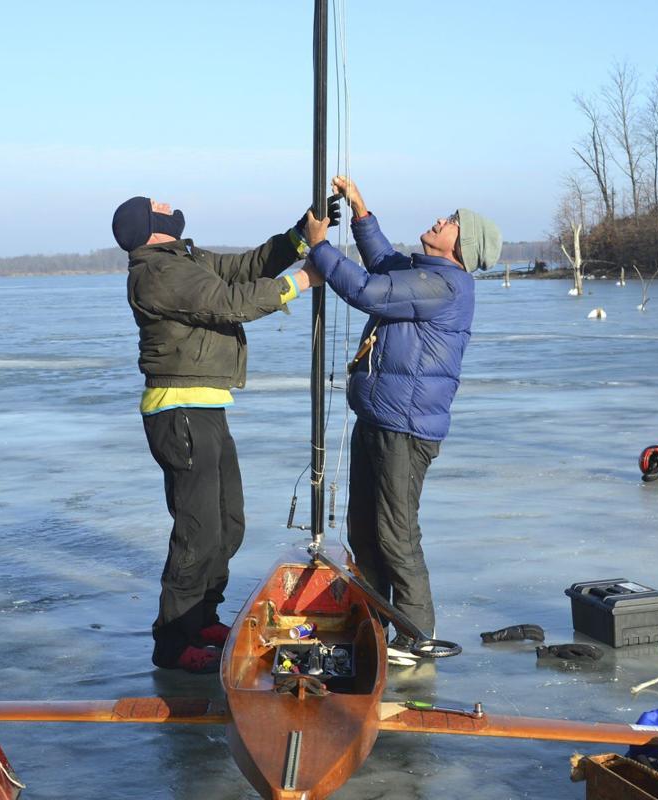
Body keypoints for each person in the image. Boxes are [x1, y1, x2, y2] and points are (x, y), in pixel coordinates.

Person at [114, 196, 325, 674]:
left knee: (228, 523)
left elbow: (249, 267)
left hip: (206, 405)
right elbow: (232, 304)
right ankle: (172, 642)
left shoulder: (186, 261)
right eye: (162, 212)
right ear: (150, 230)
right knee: (198, 531)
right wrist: (303, 280)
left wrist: (299, 233)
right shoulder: (159, 274)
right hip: (178, 410)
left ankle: (203, 617)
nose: (173, 213)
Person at [303, 176, 501, 664]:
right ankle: (375, 626)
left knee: (395, 534)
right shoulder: (426, 274)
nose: (440, 220)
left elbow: (371, 291)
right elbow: (386, 267)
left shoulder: (445, 285)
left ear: (463, 246)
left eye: (451, 223)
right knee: (363, 531)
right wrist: (361, 213)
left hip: (405, 430)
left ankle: (417, 637)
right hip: (379, 417)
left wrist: (321, 248)